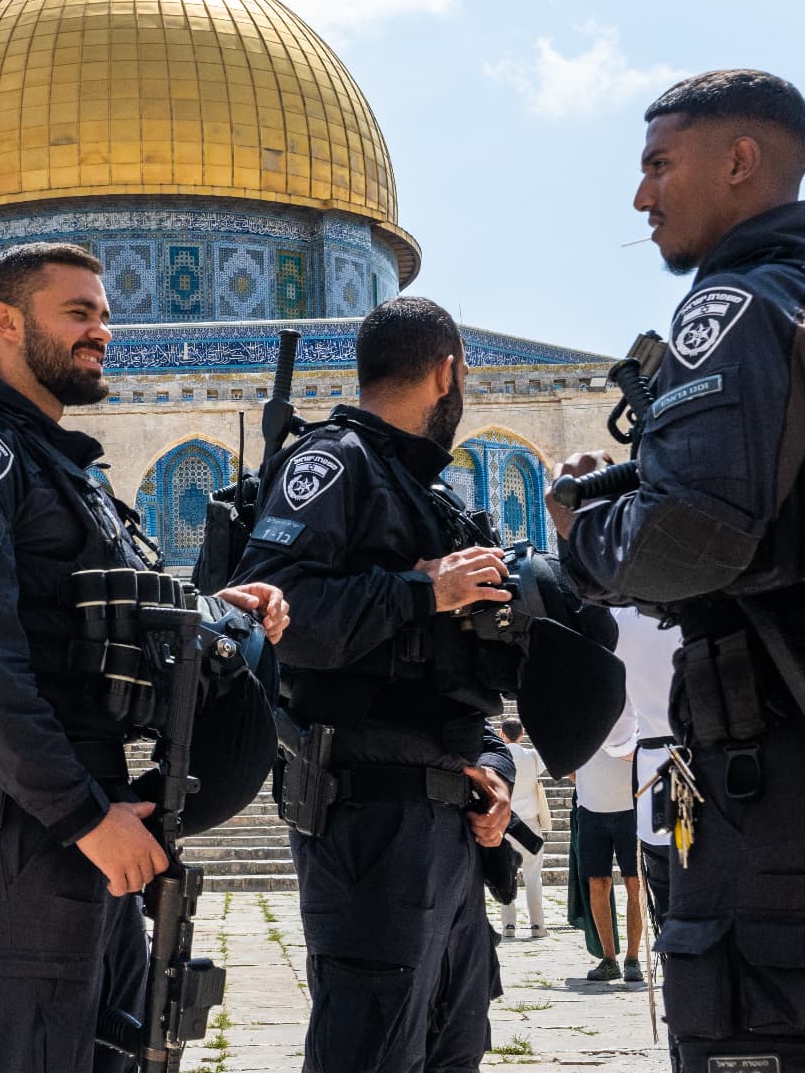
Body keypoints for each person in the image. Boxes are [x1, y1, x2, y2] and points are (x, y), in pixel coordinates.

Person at [549, 70, 805, 1072]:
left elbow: (688, 537)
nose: (641, 197)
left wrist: (582, 539)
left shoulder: (737, 306)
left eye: (658, 165)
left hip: (794, 773)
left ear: (738, 162)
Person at [0, 241, 290, 1073]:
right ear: (6, 323)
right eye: (78, 313)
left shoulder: (66, 472)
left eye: (105, 314)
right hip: (23, 839)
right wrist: (82, 818)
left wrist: (219, 613)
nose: (102, 331)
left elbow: (102, 616)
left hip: (88, 827)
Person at [230, 296, 517, 1073]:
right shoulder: (333, 463)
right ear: (447, 372)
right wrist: (420, 591)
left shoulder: (433, 498)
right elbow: (267, 609)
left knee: (450, 1049)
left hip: (448, 835)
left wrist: (496, 768)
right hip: (368, 824)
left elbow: (457, 675)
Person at [613, 605, 679, 930]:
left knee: (671, 916)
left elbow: (616, 734)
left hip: (660, 779)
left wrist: (634, 747)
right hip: (737, 779)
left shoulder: (622, 618)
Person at [571, 708, 645, 983]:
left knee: (634, 883)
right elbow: (565, 762)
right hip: (591, 811)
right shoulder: (579, 719)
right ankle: (609, 958)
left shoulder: (632, 713)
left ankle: (633, 959)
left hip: (630, 809)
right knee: (597, 884)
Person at [499, 719, 551, 938]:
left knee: (505, 875)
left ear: (501, 734)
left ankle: (509, 925)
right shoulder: (532, 756)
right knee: (533, 876)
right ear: (521, 735)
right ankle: (537, 926)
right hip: (530, 822)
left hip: (505, 822)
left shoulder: (498, 756)